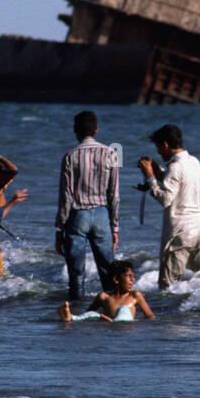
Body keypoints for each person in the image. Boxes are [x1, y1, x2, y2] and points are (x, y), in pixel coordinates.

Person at [139, 124, 200, 290]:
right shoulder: (194, 162)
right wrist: (158, 173)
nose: (158, 152)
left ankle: (172, 317)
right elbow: (178, 183)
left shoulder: (174, 168)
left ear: (165, 145)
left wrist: (151, 177)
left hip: (180, 233)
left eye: (159, 148)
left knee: (168, 286)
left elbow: (166, 199)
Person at [55, 110, 121, 300]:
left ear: (75, 130)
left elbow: (65, 197)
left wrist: (59, 231)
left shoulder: (70, 156)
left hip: (77, 215)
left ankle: (75, 313)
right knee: (109, 271)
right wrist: (115, 226)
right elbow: (114, 195)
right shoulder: (110, 153)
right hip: (102, 215)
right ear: (97, 130)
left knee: (76, 274)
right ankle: (112, 308)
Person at [57, 260, 155, 322]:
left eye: (133, 277)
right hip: (110, 326)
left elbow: (150, 316)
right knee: (93, 314)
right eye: (129, 276)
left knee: (124, 309)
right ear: (116, 279)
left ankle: (115, 321)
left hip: (126, 328)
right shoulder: (104, 297)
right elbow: (88, 314)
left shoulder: (135, 295)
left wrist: (138, 324)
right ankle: (71, 317)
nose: (132, 280)